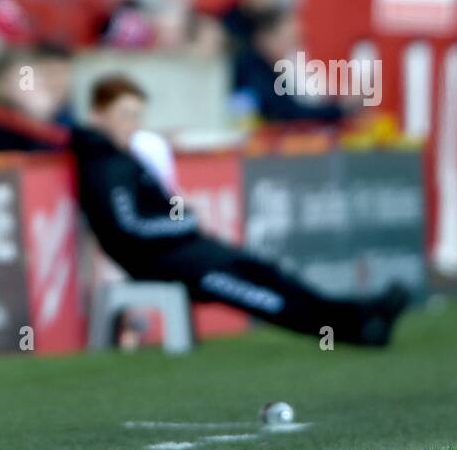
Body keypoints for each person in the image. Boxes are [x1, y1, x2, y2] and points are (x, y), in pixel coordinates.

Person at [71, 74, 410, 346]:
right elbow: (127, 226)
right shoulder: (104, 166)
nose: (132, 124)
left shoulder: (122, 157)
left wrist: (182, 222)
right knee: (261, 296)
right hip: (160, 261)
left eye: (137, 116)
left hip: (185, 251)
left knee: (268, 274)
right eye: (124, 115)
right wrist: (184, 222)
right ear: (97, 116)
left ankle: (359, 312)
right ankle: (351, 330)